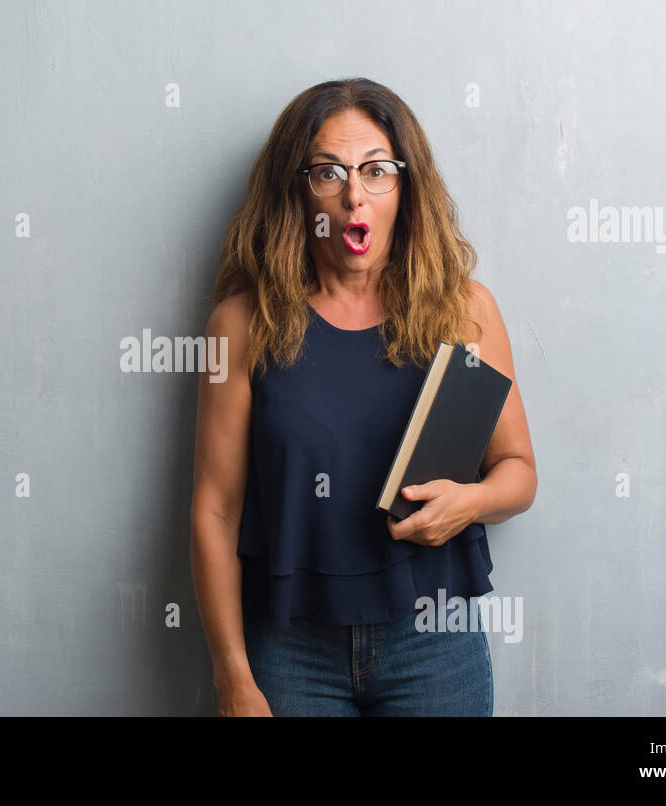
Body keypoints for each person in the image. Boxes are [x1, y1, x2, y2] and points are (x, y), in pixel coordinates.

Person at [190, 77, 537, 717]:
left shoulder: (465, 311)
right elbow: (215, 510)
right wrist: (231, 677)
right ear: (297, 189)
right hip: (290, 651)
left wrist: (472, 503)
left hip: (433, 645)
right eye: (329, 172)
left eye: (377, 170)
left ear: (405, 186)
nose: (355, 194)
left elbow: (519, 473)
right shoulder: (242, 325)